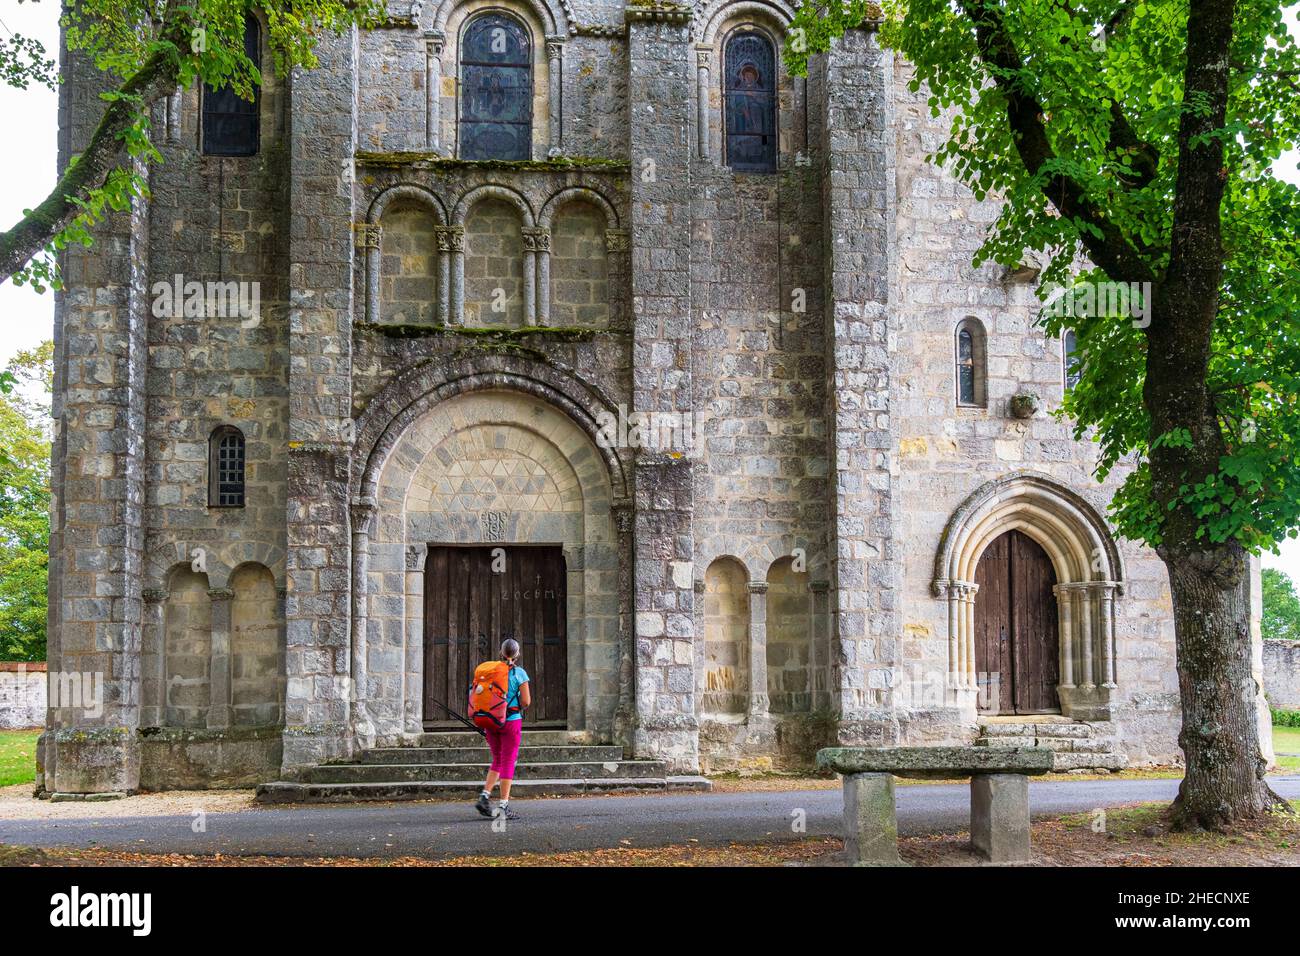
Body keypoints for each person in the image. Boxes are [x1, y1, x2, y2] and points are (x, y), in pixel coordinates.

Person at [475, 639, 531, 820]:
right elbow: (526, 702)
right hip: (511, 721)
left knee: (497, 758)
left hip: (492, 721)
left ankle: (484, 796)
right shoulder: (519, 673)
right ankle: (503, 806)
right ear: (517, 654)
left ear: (501, 653)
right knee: (508, 760)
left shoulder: (492, 672)